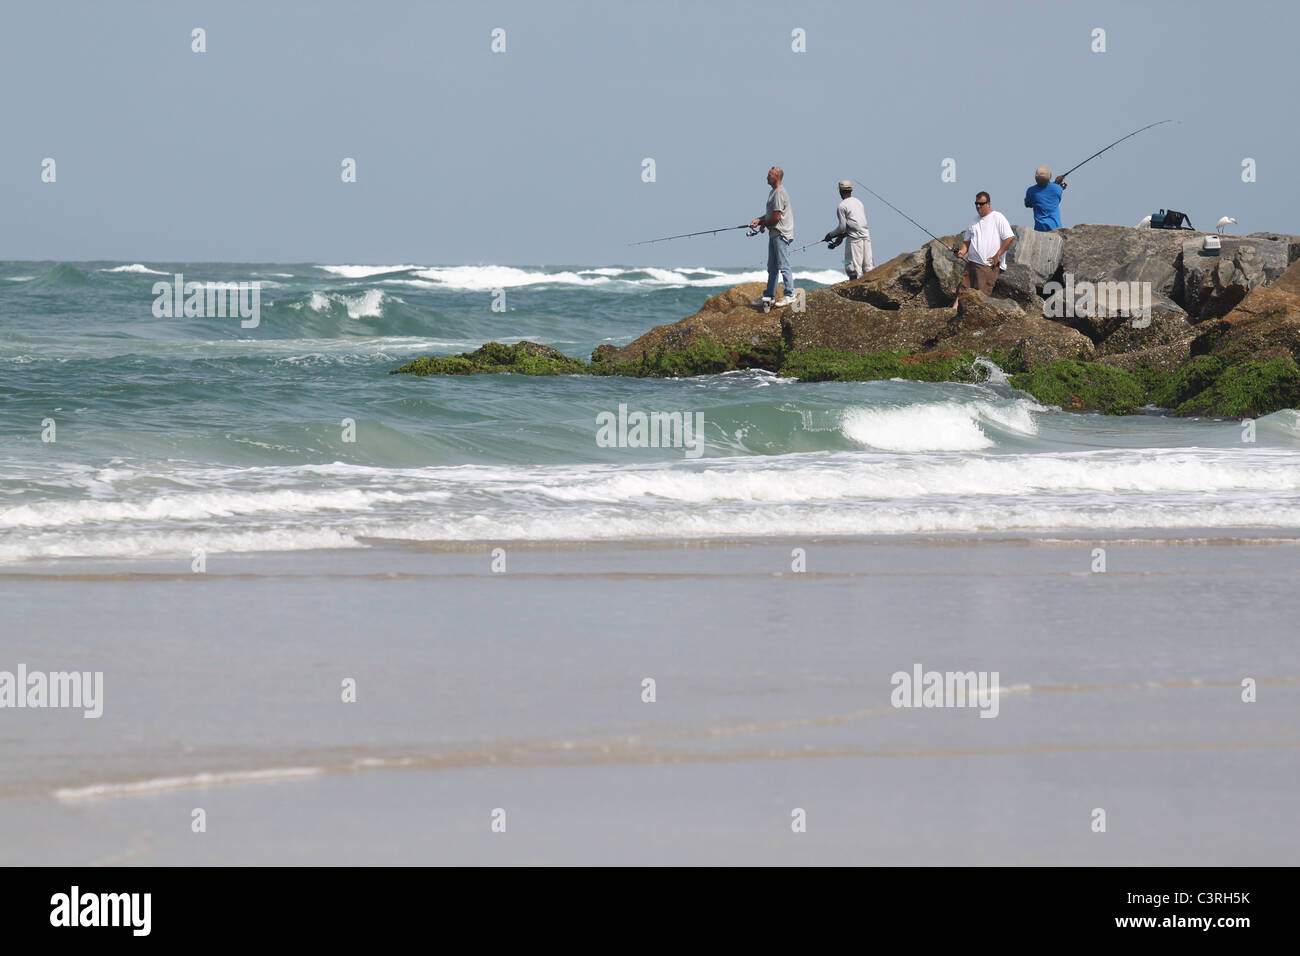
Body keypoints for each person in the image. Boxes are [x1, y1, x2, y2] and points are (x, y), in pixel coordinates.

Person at [749, 166, 795, 310]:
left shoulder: (780, 193)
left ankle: (789, 294)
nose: (766, 177)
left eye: (769, 175)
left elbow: (776, 217)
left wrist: (763, 225)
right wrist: (759, 219)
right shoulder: (773, 192)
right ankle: (769, 296)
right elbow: (771, 214)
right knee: (772, 268)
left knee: (783, 265)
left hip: (781, 234)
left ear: (777, 177)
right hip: (774, 234)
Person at [955, 191, 1015, 297]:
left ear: (988, 204)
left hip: (987, 266)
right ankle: (954, 311)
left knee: (980, 298)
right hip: (971, 264)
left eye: (981, 204)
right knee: (962, 293)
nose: (978, 206)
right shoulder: (973, 221)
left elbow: (1009, 238)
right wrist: (961, 252)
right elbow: (966, 243)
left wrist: (997, 255)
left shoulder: (998, 217)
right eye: (976, 204)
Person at [823, 180, 873, 279]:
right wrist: (839, 240)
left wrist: (830, 235)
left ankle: (853, 289)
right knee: (868, 268)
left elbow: (842, 228)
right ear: (851, 190)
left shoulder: (842, 206)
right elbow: (855, 225)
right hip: (866, 237)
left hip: (854, 240)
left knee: (850, 267)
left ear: (840, 191)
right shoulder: (859, 202)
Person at [1024, 165, 1067, 231]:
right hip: (1056, 227)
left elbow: (1027, 204)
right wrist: (1056, 183)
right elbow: (1052, 190)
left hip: (1040, 229)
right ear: (1049, 176)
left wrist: (1055, 183)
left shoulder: (1031, 191)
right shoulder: (1057, 188)